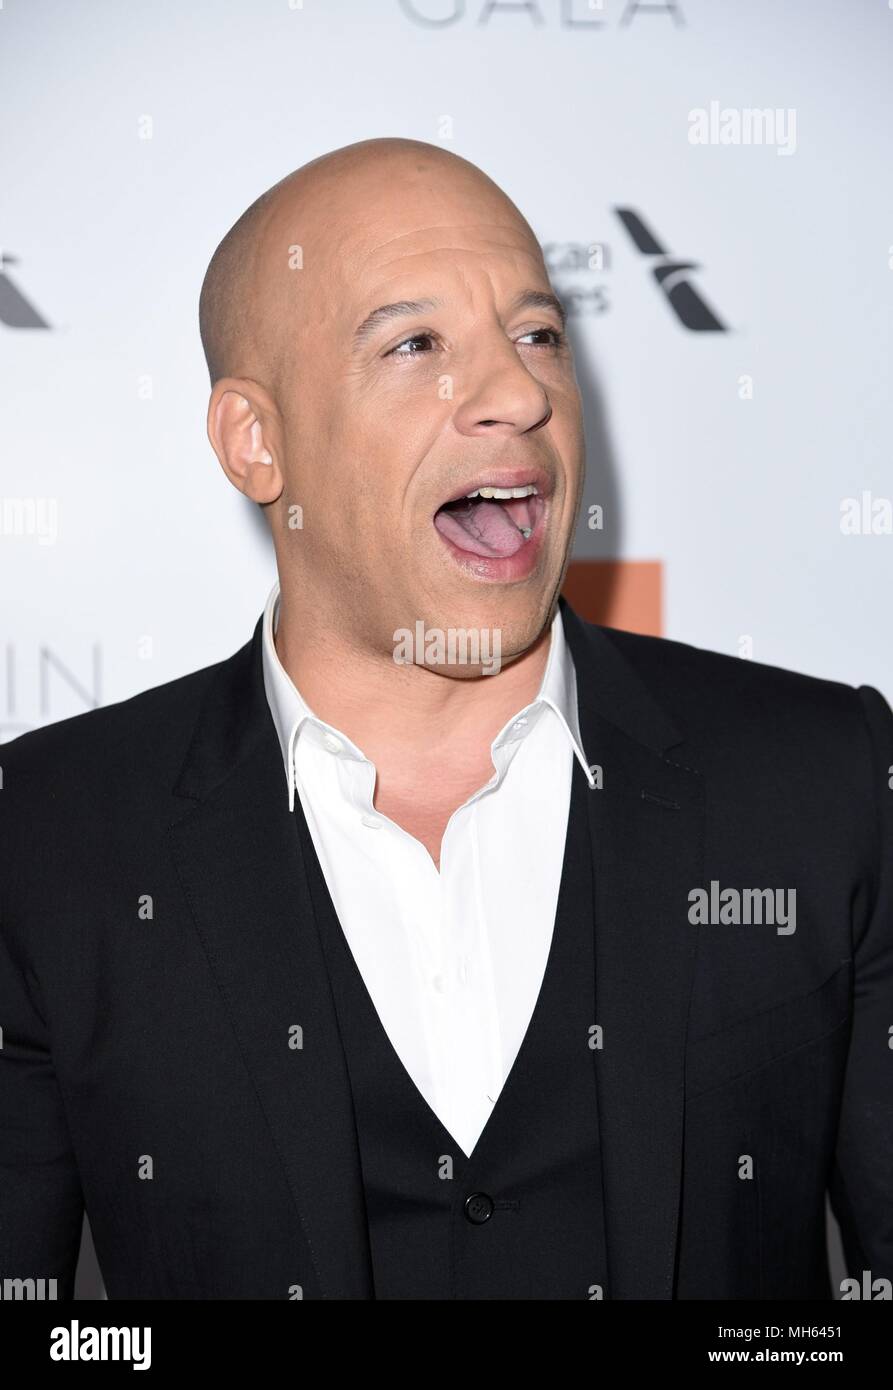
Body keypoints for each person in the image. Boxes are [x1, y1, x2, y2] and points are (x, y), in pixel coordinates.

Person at [1, 138, 890, 1300]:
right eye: (414, 345)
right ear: (254, 441)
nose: (521, 393)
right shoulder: (51, 832)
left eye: (537, 337)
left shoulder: (824, 780)